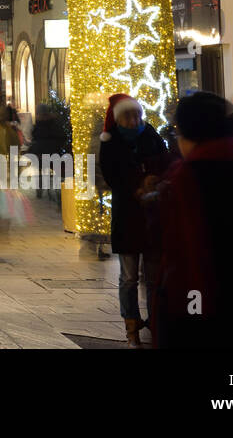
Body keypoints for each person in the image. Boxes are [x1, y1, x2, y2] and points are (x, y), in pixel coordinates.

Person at [154, 91, 233, 349]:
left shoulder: (188, 177)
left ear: (193, 134)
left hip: (203, 309)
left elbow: (189, 252)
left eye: (180, 133)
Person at [97, 94, 173, 347]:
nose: (134, 120)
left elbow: (165, 163)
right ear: (119, 118)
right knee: (129, 278)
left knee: (153, 277)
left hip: (151, 215)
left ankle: (155, 322)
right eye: (129, 116)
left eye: (137, 115)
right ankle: (131, 327)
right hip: (127, 215)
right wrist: (135, 187)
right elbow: (111, 174)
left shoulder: (150, 135)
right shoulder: (111, 142)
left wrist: (153, 181)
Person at [27, 103, 65, 199]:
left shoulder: (39, 125)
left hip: (42, 153)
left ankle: (41, 189)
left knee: (40, 170)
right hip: (53, 152)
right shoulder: (55, 123)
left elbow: (35, 137)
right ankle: (55, 191)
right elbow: (61, 137)